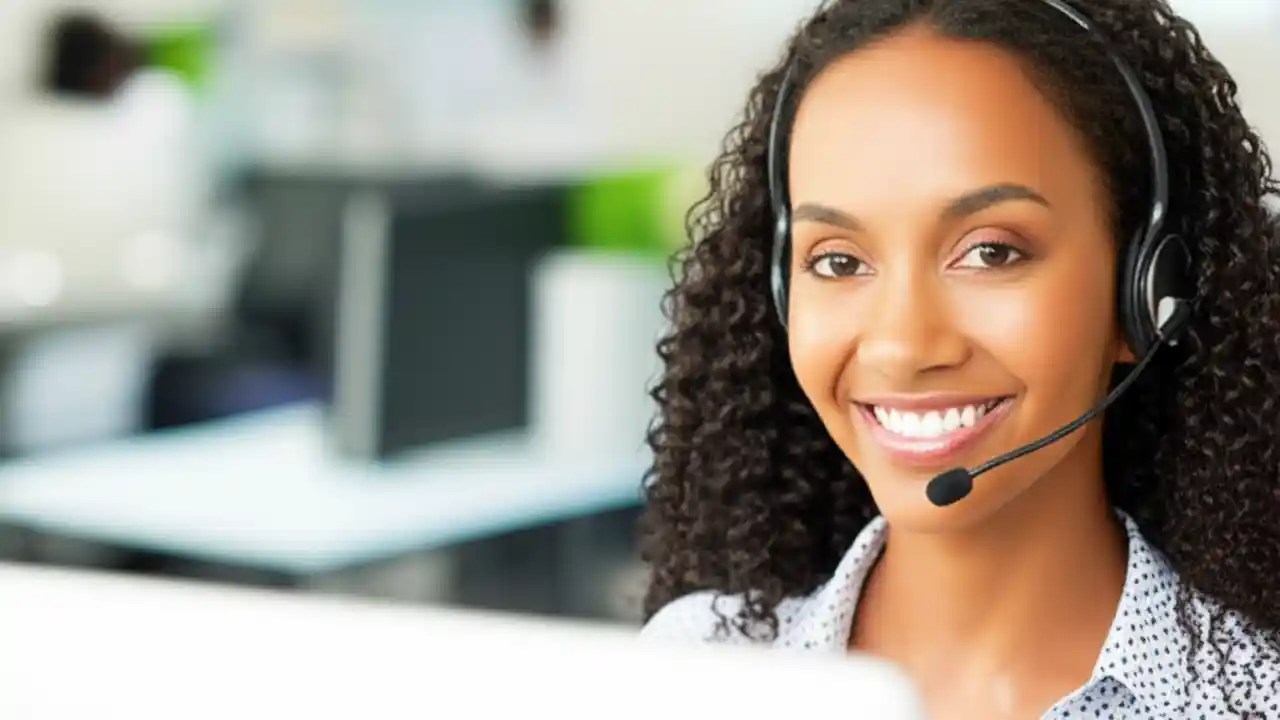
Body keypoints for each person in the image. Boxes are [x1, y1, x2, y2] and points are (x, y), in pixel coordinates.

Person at [638, 0, 1280, 717]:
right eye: (840, 260)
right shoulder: (699, 667)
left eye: (990, 251)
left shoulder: (1249, 701)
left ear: (1146, 294)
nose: (903, 346)